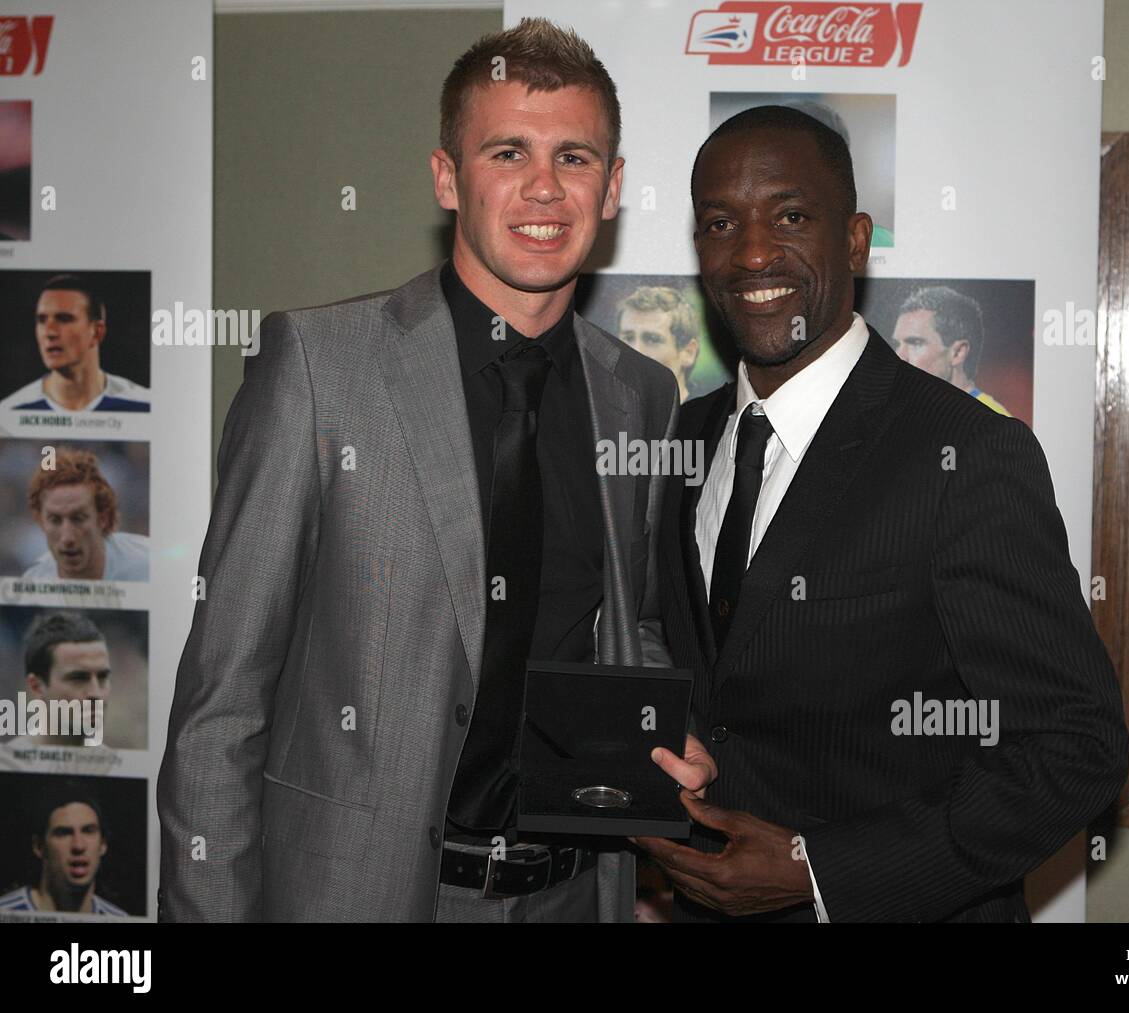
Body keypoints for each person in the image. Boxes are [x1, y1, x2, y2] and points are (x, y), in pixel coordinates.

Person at [157, 18, 703, 923]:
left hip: (571, 897)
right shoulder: (319, 366)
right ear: (447, 176)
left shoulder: (639, 394)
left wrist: (654, 731)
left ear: (611, 191)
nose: (543, 186)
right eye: (507, 152)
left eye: (574, 158)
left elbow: (625, 625)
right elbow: (223, 701)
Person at [637, 105, 1129, 922]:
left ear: (857, 240)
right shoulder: (684, 438)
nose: (754, 251)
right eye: (722, 223)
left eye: (791, 216)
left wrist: (818, 871)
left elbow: (1076, 746)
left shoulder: (964, 452)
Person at [0, 274, 150, 413]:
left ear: (97, 332)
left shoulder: (145, 405)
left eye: (64, 319)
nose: (49, 332)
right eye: (42, 320)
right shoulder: (10, 412)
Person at [0, 611, 119, 775]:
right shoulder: (9, 767)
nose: (96, 693)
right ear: (36, 687)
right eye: (78, 678)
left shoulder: (117, 767)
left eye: (103, 677)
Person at [23, 447, 149, 582]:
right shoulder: (33, 583)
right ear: (40, 521)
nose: (67, 538)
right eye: (55, 520)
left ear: (103, 519)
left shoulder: (147, 566)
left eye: (78, 519)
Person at [0, 785, 128, 916]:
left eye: (88, 831)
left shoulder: (120, 918)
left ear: (103, 844)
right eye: (63, 833)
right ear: (39, 846)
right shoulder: (5, 913)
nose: (78, 846)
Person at [889, 285, 1011, 416]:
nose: (899, 356)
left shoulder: (993, 424)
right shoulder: (908, 414)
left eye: (915, 343)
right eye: (897, 344)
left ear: (958, 353)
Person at [617, 285, 700, 402]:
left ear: (688, 352)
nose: (636, 350)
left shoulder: (713, 417)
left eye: (652, 339)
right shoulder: (601, 413)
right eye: (628, 338)